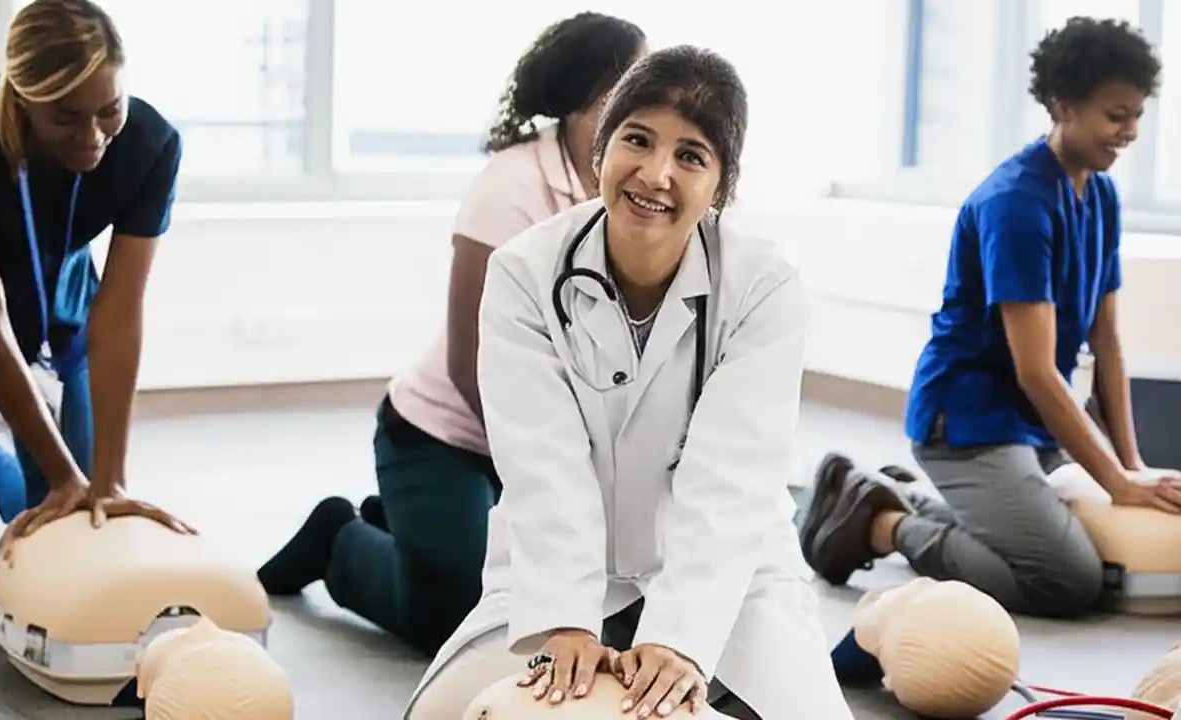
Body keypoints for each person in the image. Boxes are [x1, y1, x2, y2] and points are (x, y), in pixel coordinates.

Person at [402, 45, 855, 720]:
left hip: (728, 578)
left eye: (690, 155)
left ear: (721, 187)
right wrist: (566, 620)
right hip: (559, 565)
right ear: (602, 149)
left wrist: (677, 639)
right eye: (637, 140)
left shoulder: (763, 287)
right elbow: (542, 463)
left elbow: (731, 477)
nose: (655, 174)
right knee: (443, 715)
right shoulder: (526, 272)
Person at [255, 11, 647, 658]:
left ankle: (407, 525)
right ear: (582, 97)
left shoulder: (636, 193)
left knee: (596, 601)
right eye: (625, 88)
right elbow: (471, 366)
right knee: (462, 618)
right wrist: (554, 475)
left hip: (547, 440)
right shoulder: (512, 186)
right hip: (445, 435)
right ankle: (338, 542)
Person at [799, 16, 1181, 621]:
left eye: (1136, 115)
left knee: (1074, 538)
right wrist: (1114, 481)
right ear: (1064, 106)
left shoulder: (1101, 196)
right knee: (1068, 580)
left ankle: (892, 495)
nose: (1130, 132)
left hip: (1032, 427)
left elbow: (1107, 342)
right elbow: (1037, 372)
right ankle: (881, 523)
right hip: (967, 424)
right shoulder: (1017, 205)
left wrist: (1130, 466)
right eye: (1116, 116)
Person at [0, 0, 193, 638]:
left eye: (108, 109)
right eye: (66, 117)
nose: (92, 136)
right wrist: (64, 473)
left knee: (73, 507)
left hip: (55, 266)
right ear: (24, 100)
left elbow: (120, 311)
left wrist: (106, 480)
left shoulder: (152, 143)